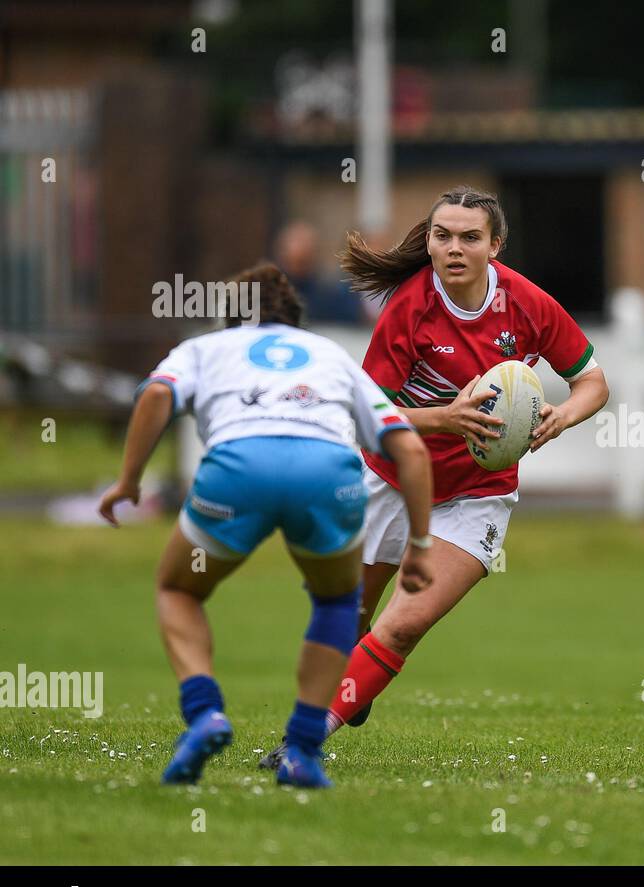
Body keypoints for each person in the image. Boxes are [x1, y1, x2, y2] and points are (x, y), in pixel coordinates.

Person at [260, 185, 609, 768]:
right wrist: (446, 418)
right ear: (428, 240)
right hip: (393, 479)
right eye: (441, 236)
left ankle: (306, 741)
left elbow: (593, 382)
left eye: (470, 237)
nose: (454, 248)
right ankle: (353, 673)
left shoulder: (527, 304)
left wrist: (559, 417)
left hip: (478, 494)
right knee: (352, 619)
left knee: (404, 624)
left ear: (495, 245)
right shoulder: (411, 306)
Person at [98, 263, 435, 788]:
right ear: (295, 319)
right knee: (337, 605)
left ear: (231, 318)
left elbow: (157, 395)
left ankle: (206, 711)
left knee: (177, 589)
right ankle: (302, 750)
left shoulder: (208, 348)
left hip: (239, 471)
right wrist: (417, 543)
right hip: (326, 475)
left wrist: (128, 482)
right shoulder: (329, 354)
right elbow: (410, 448)